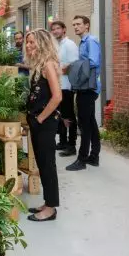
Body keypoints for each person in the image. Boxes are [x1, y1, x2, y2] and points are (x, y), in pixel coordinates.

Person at [24, 29, 63, 221]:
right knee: (42, 163)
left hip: (45, 122)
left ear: (43, 43)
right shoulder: (38, 64)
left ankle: (51, 209)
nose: (29, 46)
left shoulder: (48, 64)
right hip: (37, 121)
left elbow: (57, 97)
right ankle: (47, 203)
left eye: (32, 42)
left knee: (48, 165)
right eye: (28, 42)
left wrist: (40, 119)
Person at [67, 15, 102, 171]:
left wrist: (74, 65)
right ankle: (94, 156)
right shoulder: (82, 42)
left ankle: (81, 160)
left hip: (89, 88)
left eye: (79, 24)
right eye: (74, 24)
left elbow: (93, 62)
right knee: (91, 124)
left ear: (87, 25)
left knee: (84, 125)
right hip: (84, 87)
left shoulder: (91, 41)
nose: (76, 27)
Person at [50, 20, 79, 155]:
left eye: (58, 29)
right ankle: (62, 142)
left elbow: (73, 66)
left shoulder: (69, 44)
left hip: (67, 86)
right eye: (53, 29)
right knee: (60, 115)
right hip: (58, 85)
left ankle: (71, 145)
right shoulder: (57, 45)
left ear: (64, 29)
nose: (55, 31)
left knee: (69, 116)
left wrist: (57, 71)